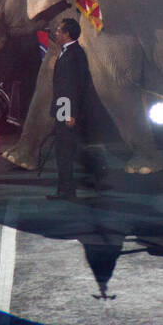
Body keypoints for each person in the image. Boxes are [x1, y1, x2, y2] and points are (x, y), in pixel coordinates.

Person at [47, 17, 107, 200]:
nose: (56, 33)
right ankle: (64, 189)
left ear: (67, 34)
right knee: (61, 150)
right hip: (62, 107)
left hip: (67, 109)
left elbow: (75, 86)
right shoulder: (66, 52)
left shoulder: (75, 54)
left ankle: (67, 190)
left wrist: (70, 114)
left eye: (59, 31)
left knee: (65, 151)